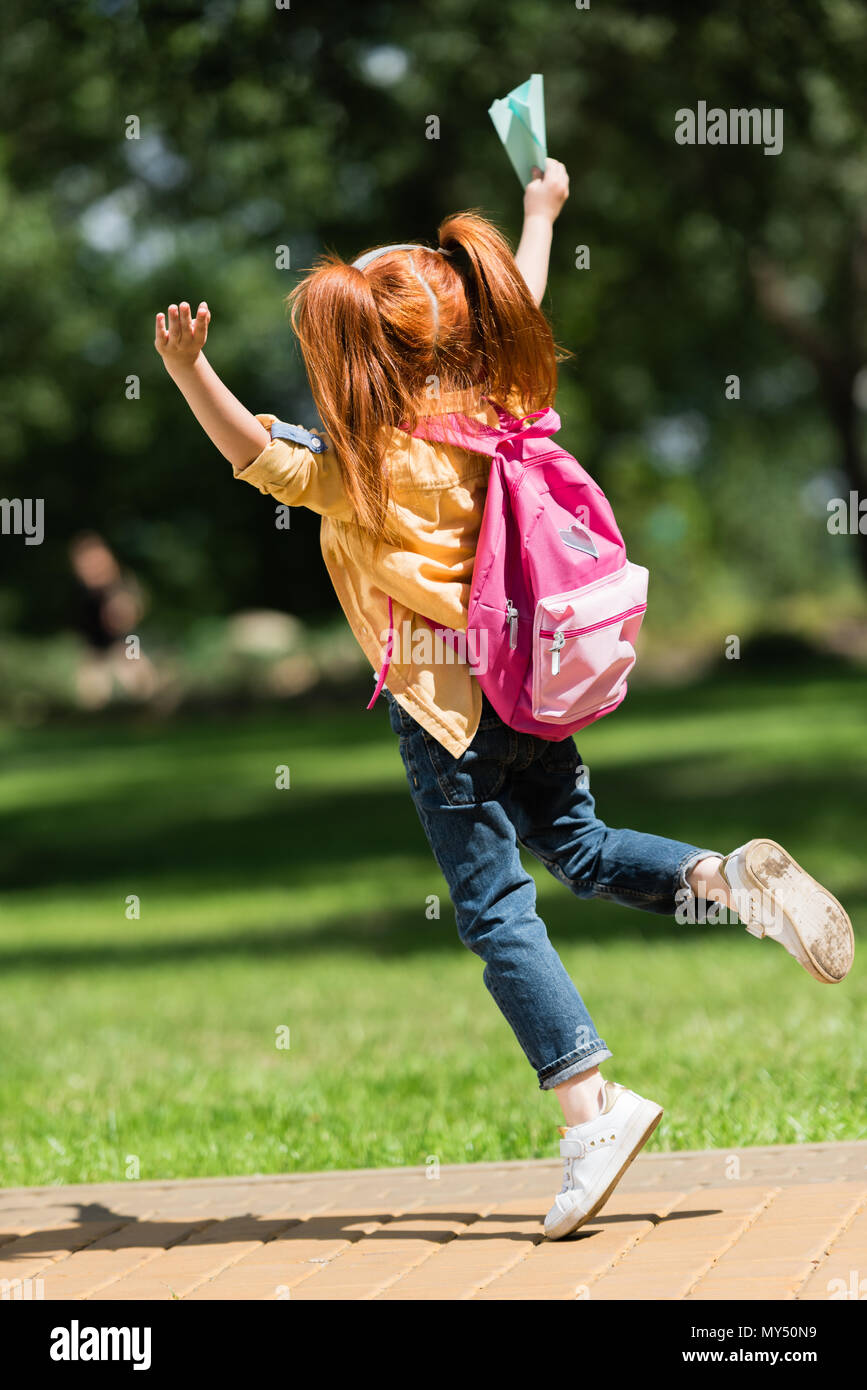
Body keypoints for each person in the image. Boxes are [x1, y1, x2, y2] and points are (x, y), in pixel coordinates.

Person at [153, 160, 854, 1241]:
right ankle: (727, 882)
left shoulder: (363, 468)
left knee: (496, 912)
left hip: (446, 719)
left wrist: (190, 370)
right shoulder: (501, 409)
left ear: (359, 354)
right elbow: (516, 308)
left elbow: (254, 451)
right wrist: (537, 213)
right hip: (536, 688)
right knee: (581, 846)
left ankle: (592, 1111)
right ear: (467, 336)